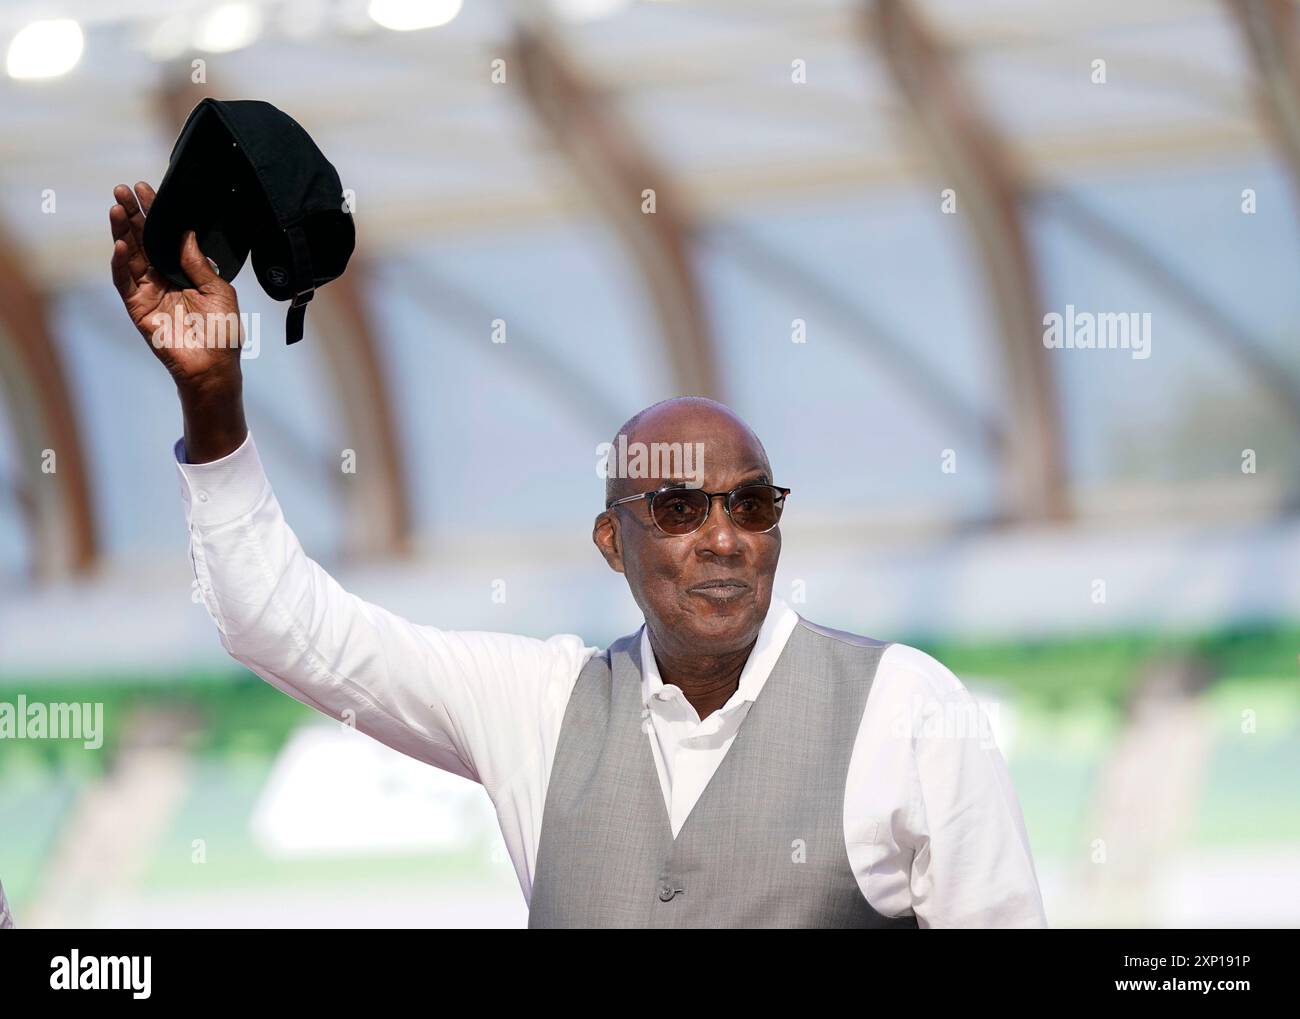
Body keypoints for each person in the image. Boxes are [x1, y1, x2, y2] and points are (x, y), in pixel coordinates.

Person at [110, 180, 1048, 928]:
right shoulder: (540, 708)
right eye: (679, 507)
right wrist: (215, 402)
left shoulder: (908, 708)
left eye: (753, 505)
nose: (724, 537)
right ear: (612, 542)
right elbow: (281, 624)